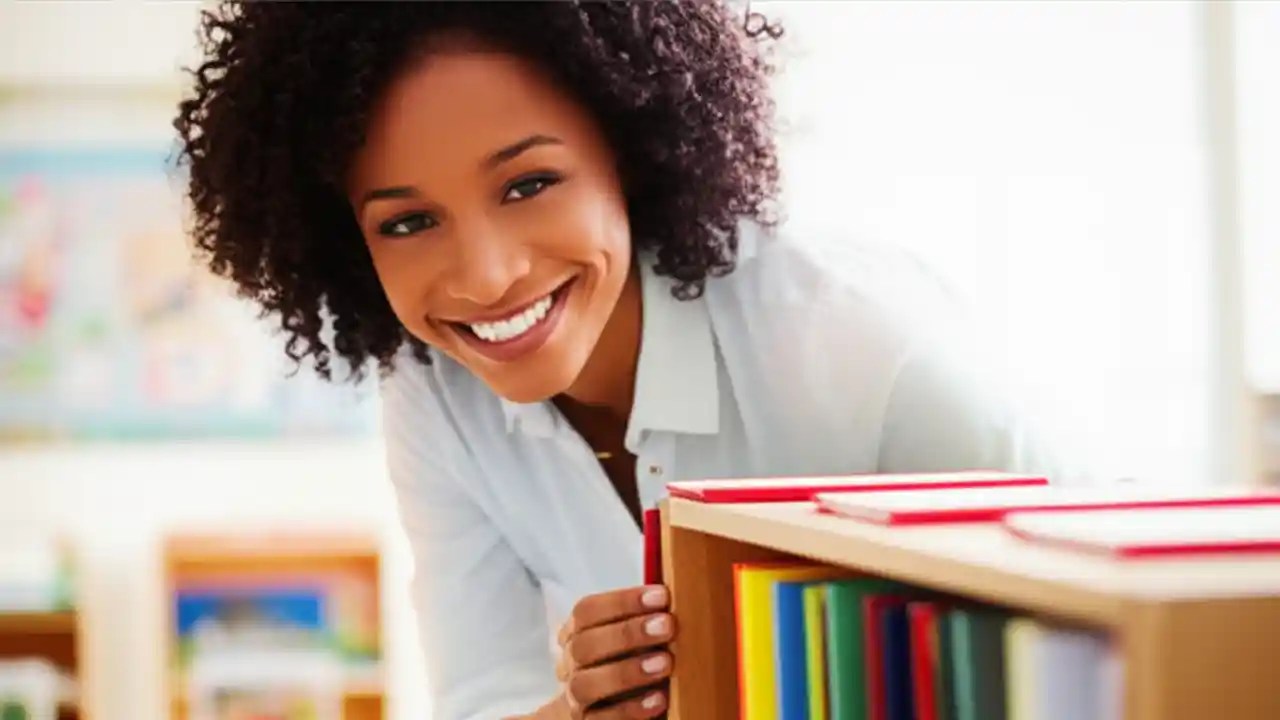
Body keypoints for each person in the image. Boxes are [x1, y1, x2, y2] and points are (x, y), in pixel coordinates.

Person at [173, 3, 1059, 719]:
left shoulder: (867, 352)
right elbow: (483, 698)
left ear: (629, 156)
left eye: (529, 184)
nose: (485, 278)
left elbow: (1090, 655)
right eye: (407, 222)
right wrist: (577, 710)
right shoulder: (433, 395)